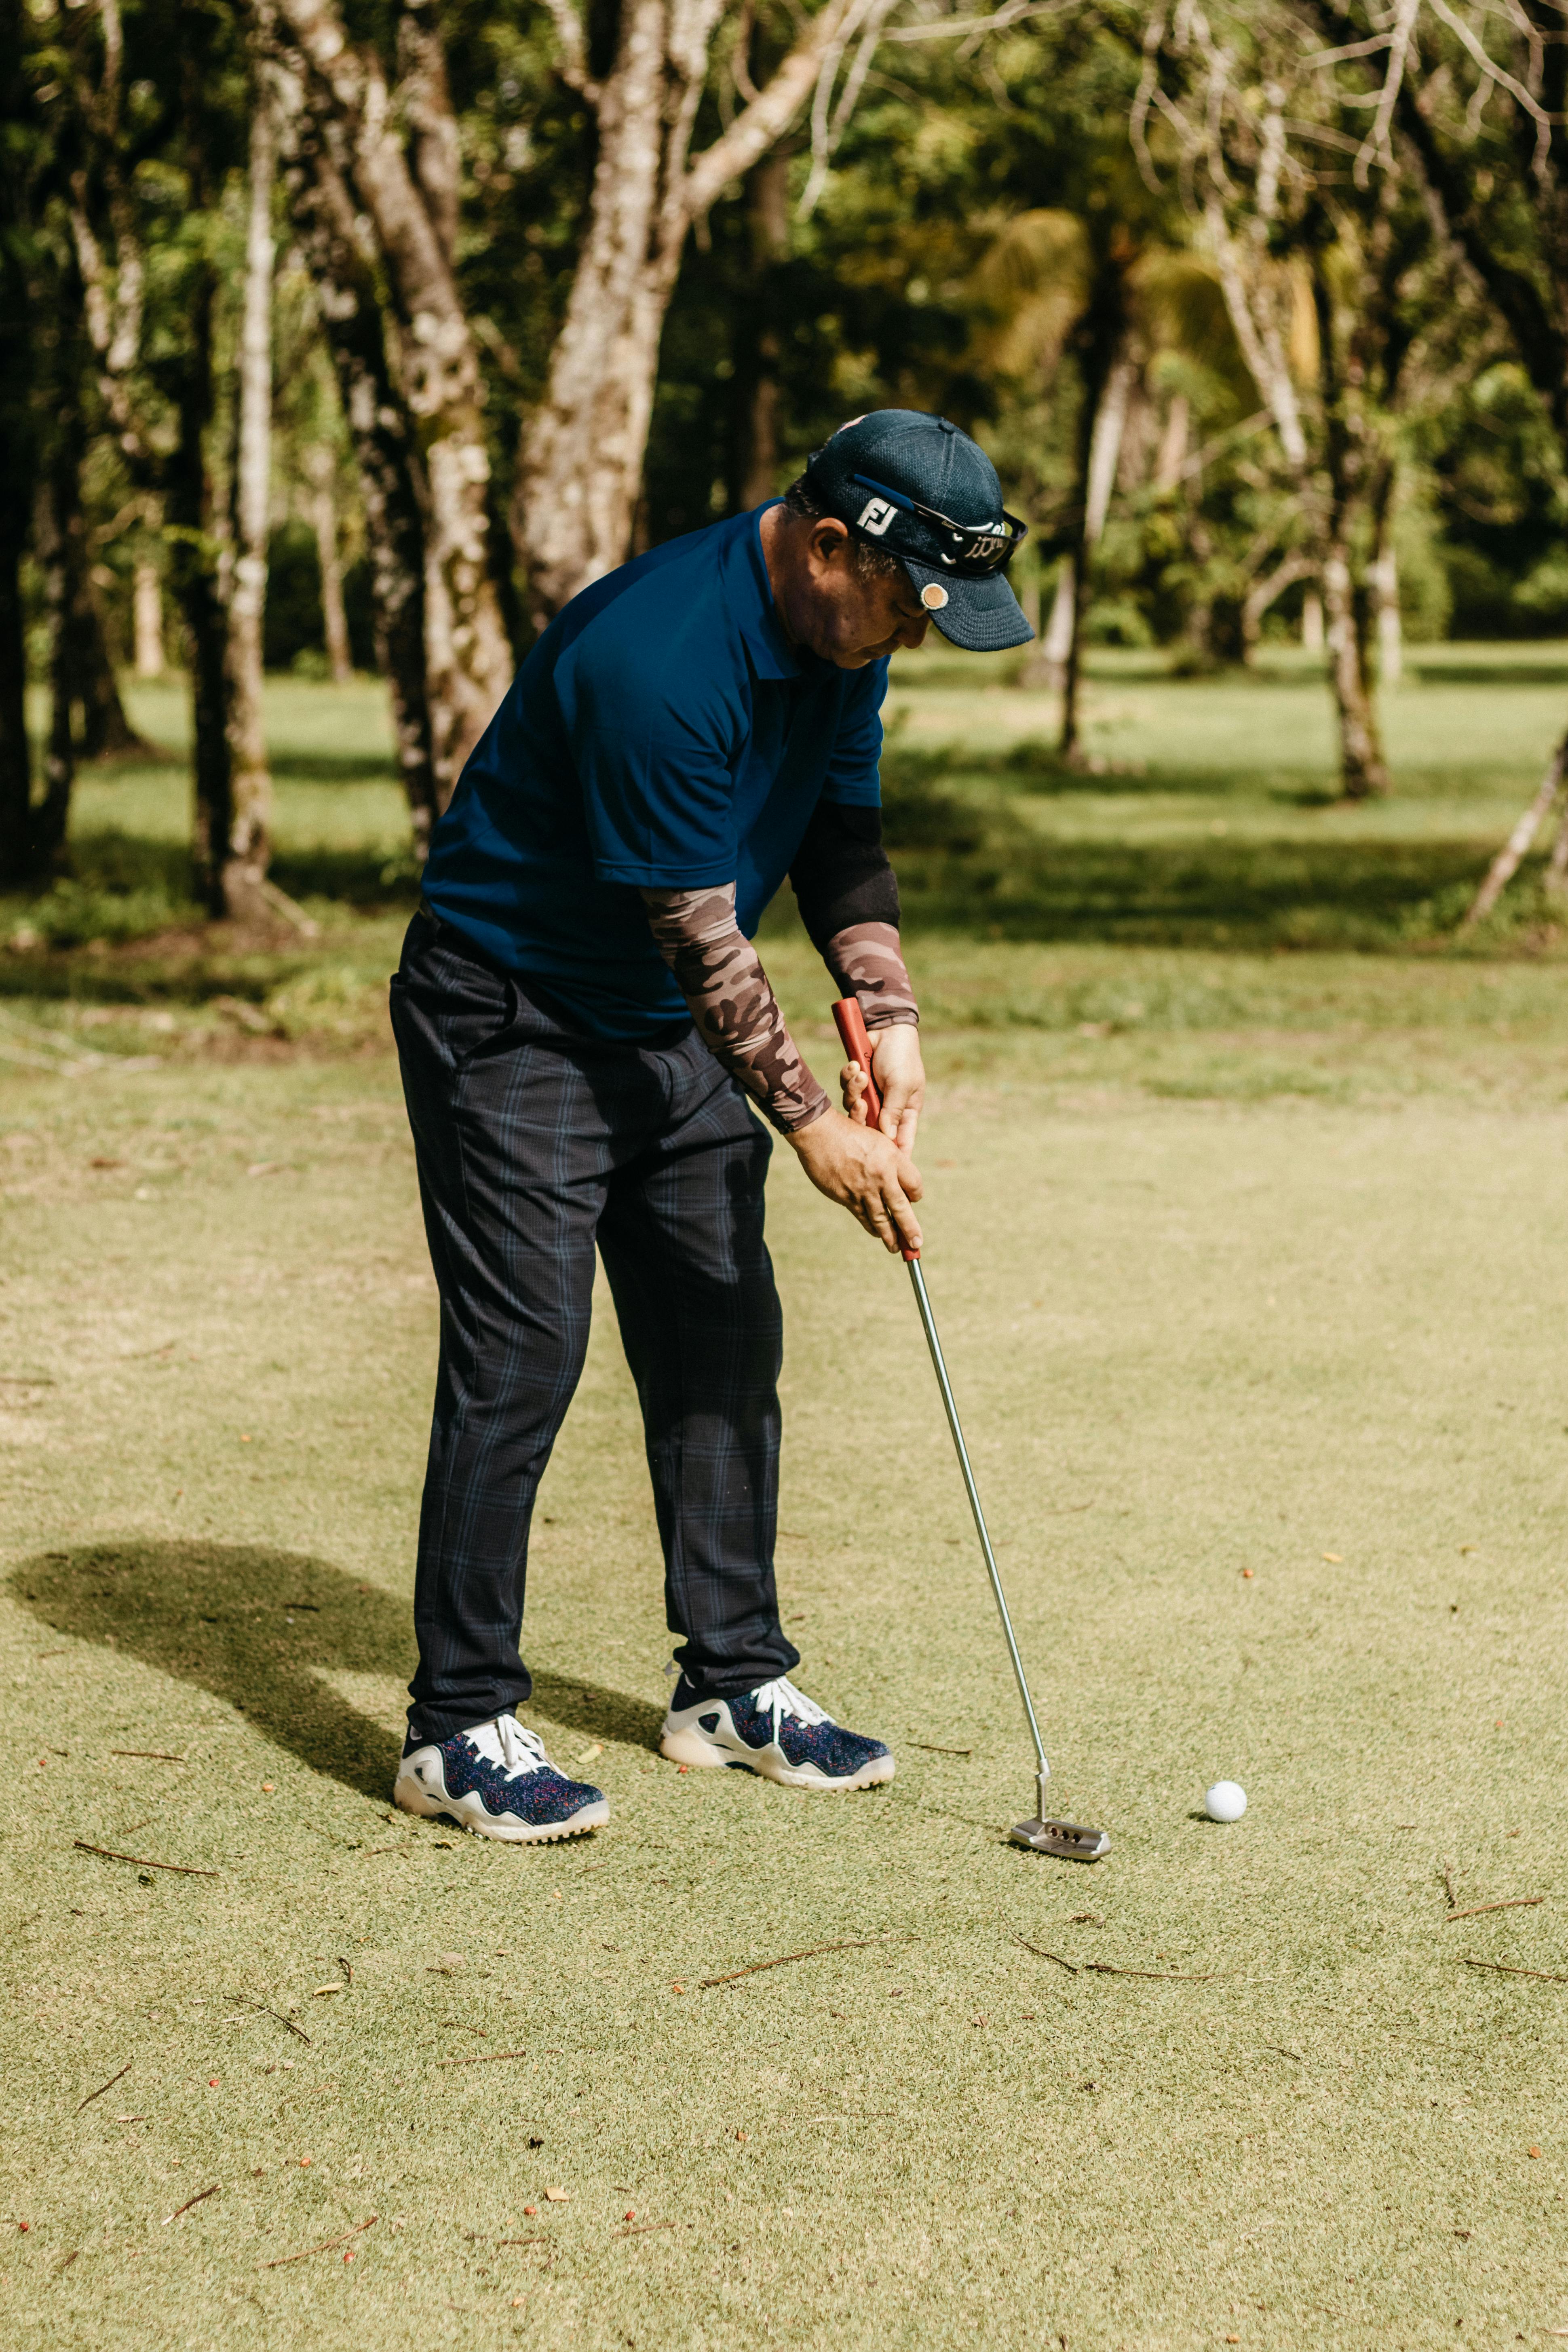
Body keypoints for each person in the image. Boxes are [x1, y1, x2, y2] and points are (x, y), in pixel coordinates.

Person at [390, 409, 1032, 1843]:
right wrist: (815, 1122)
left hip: (662, 1027)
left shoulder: (839, 639)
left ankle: (731, 1683)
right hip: (516, 1019)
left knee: (724, 1330)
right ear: (828, 545)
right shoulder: (663, 658)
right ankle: (454, 1725)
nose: (914, 641)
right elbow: (698, 936)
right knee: (524, 1353)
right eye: (910, 605)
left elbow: (838, 836)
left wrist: (892, 1012)